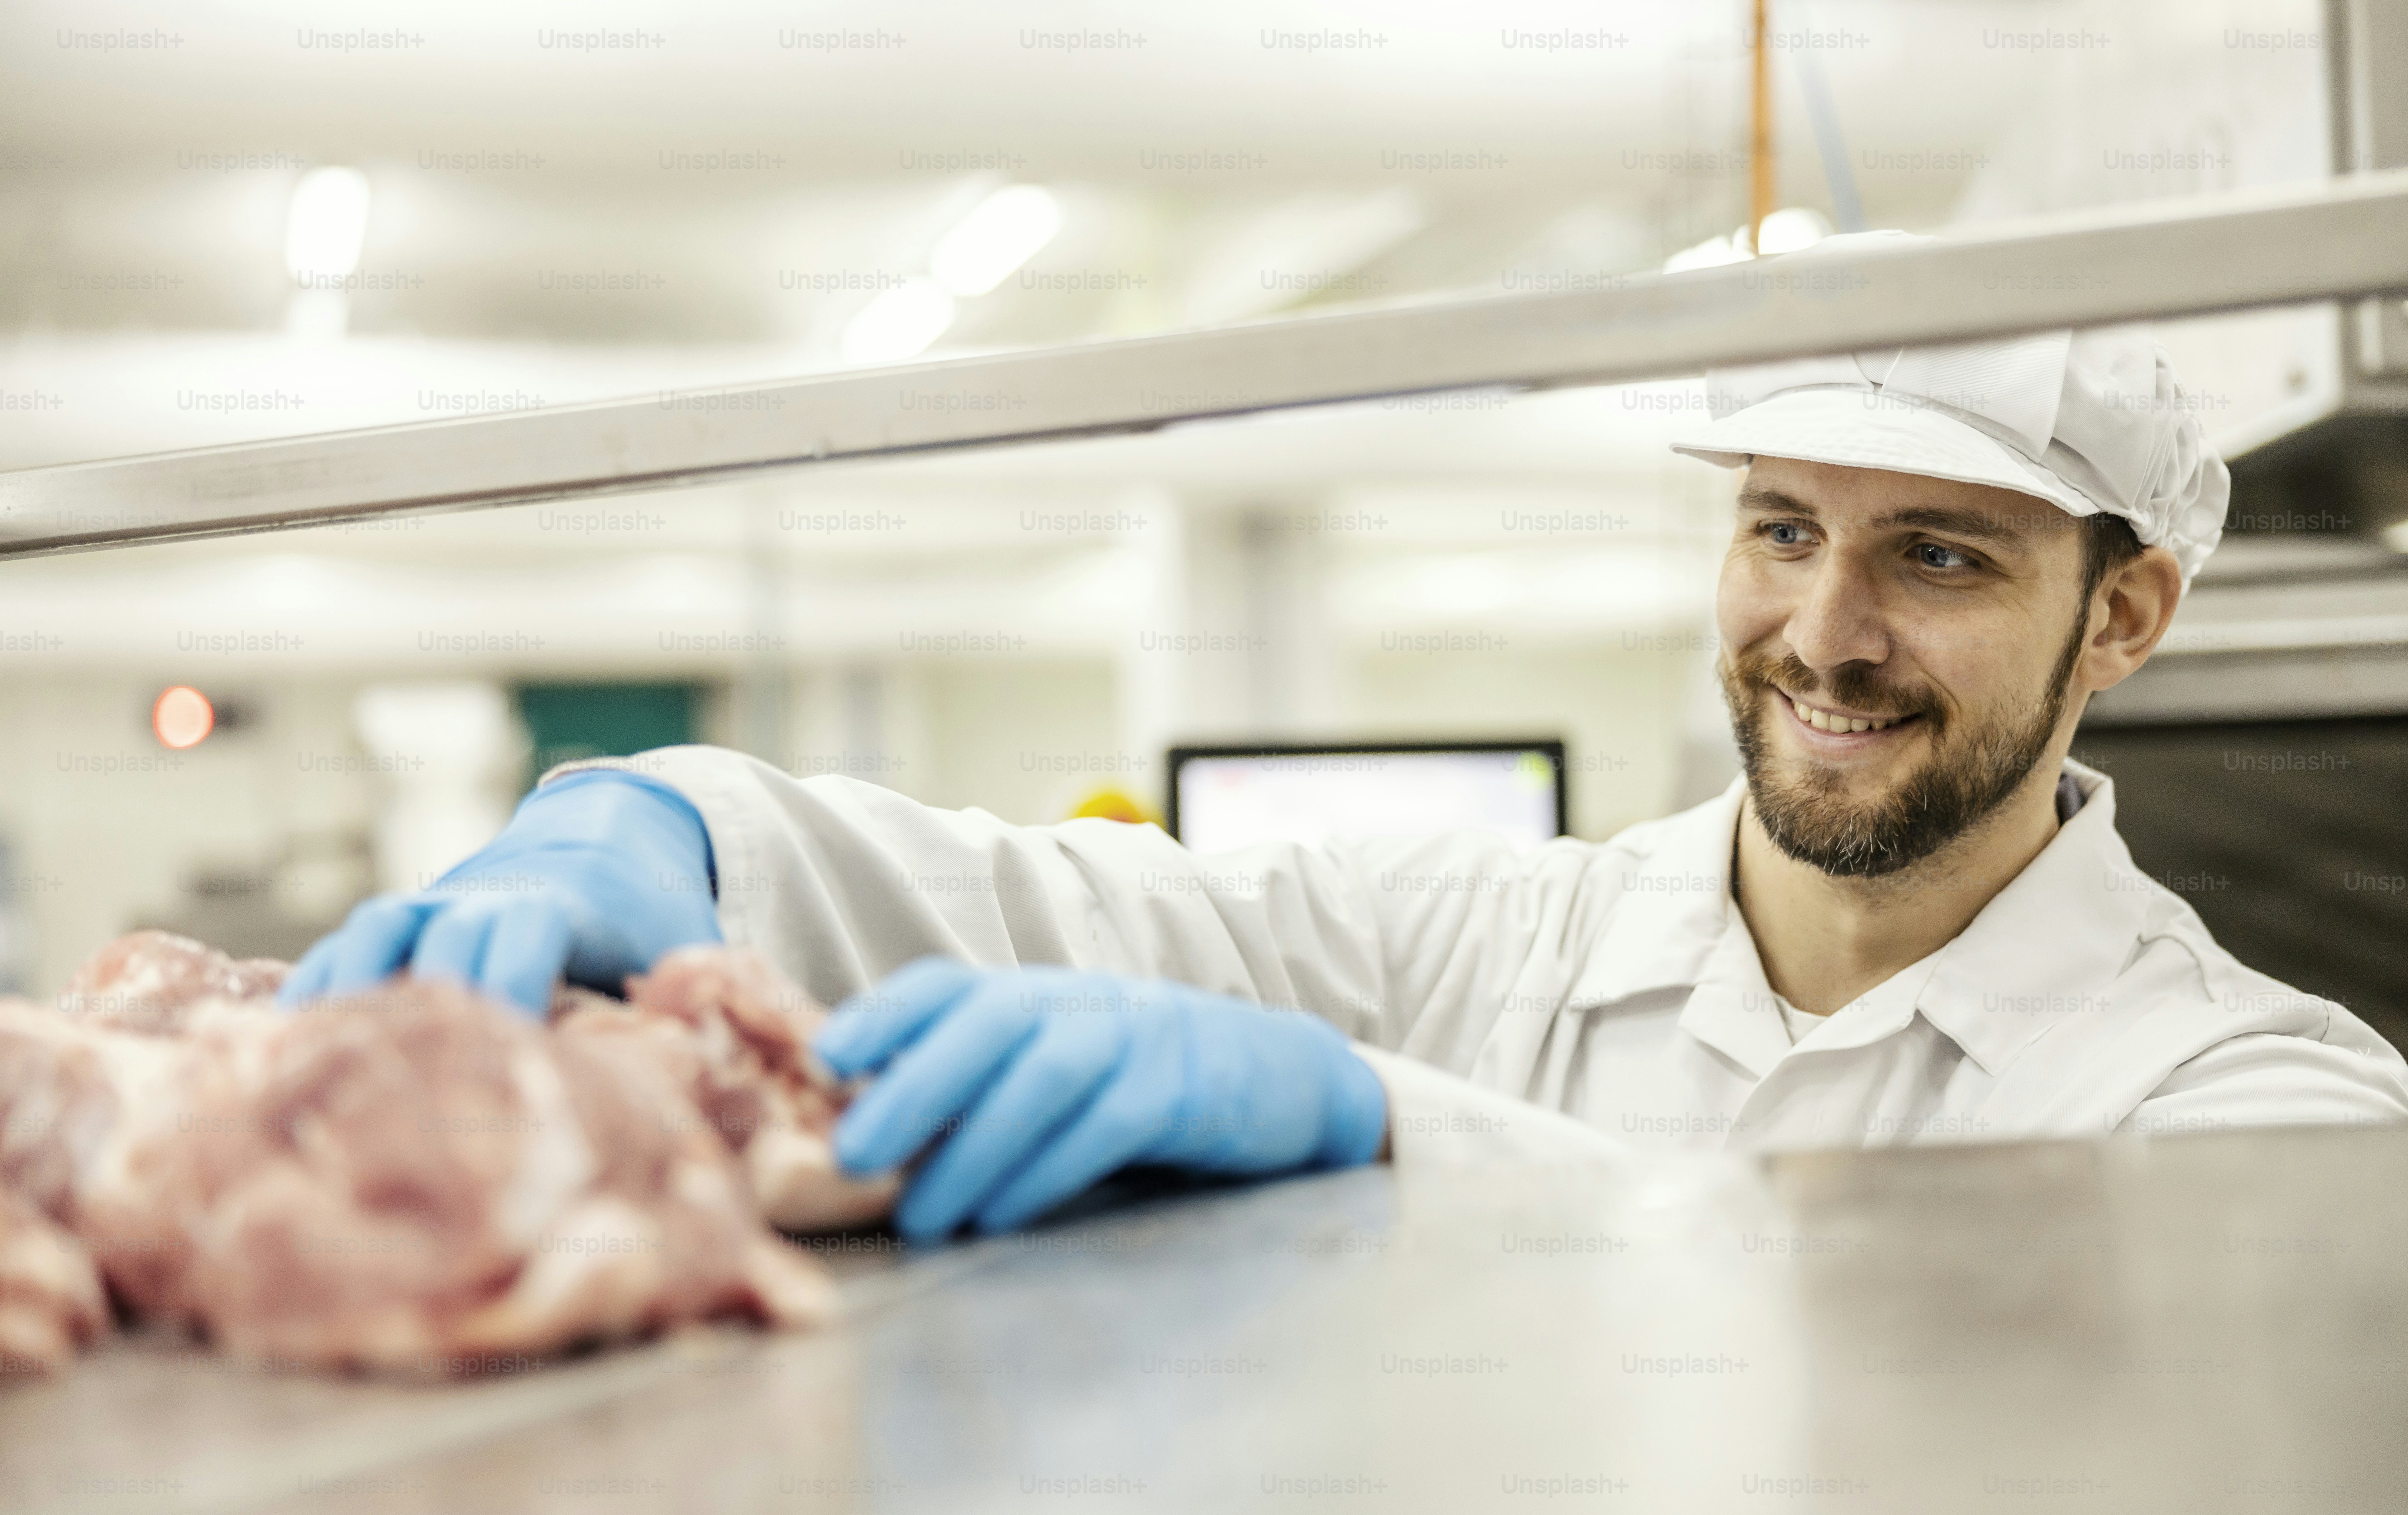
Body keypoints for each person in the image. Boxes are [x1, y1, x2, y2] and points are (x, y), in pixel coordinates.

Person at [283, 306, 2408, 1242]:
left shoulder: (2273, 1107)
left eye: (1935, 556)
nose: (1827, 635)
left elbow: (1960, 1367)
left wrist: (1379, 1128)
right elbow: (1040, 899)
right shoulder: (1485, 933)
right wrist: (666, 818)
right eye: (1780, 527)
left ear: (2122, 618)